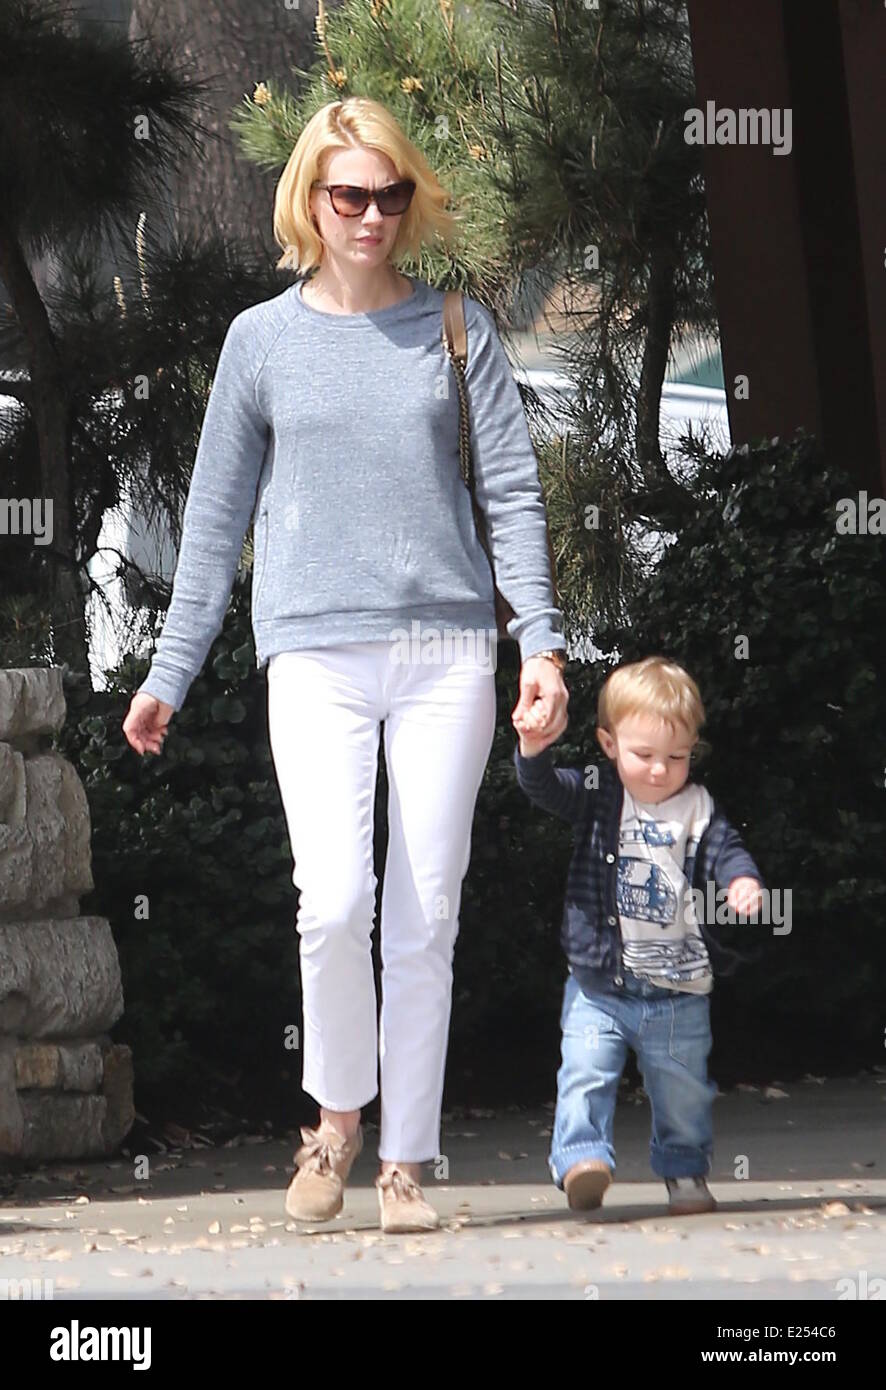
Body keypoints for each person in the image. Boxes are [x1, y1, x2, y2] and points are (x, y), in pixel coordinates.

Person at [121, 96, 568, 1233]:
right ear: (310, 203)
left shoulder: (456, 329)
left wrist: (544, 646)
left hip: (446, 653)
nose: (371, 214)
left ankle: (406, 1161)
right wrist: (169, 673)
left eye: (391, 194)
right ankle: (334, 1122)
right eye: (348, 195)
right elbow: (216, 525)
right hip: (312, 649)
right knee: (335, 899)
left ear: (410, 203)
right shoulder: (260, 342)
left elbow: (511, 497)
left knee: (425, 912)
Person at [512, 655, 765, 1216]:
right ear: (608, 744)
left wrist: (741, 881)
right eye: (643, 755)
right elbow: (546, 790)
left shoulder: (698, 806)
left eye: (676, 757)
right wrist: (532, 751)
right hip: (599, 983)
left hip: (678, 990)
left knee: (683, 1091)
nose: (659, 770)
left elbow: (727, 849)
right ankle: (582, 1160)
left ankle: (685, 1173)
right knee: (584, 1070)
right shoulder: (600, 795)